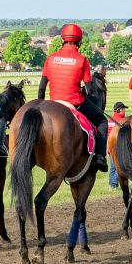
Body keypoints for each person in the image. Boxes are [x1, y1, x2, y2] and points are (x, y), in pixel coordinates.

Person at [39, 23, 107, 169]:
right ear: (79, 41)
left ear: (62, 39)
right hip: (74, 103)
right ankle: (100, 157)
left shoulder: (50, 58)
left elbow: (42, 87)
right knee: (102, 121)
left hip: (53, 103)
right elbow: (89, 90)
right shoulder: (82, 60)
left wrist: (40, 103)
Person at [108, 102, 127, 189]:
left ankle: (112, 185)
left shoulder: (109, 120)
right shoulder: (122, 121)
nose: (124, 111)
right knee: (120, 166)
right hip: (119, 147)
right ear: (119, 110)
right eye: (123, 109)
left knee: (113, 167)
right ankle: (114, 183)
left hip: (110, 147)